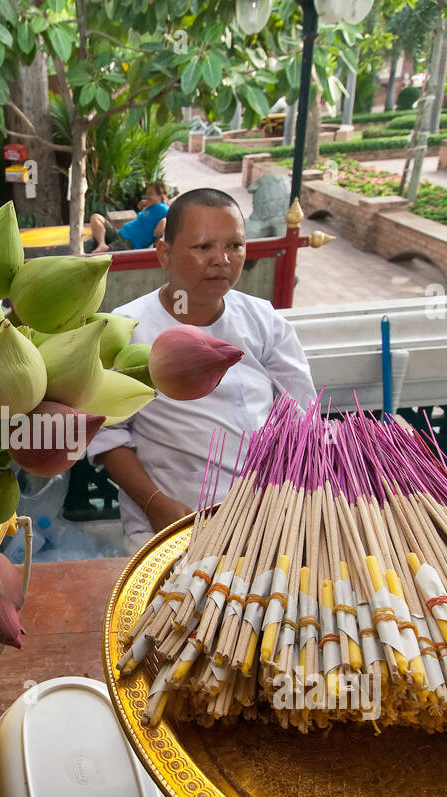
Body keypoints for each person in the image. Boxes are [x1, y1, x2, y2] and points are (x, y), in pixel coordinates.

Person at [87, 187, 317, 554]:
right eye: (203, 247)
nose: (222, 260)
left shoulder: (263, 322)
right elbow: (106, 434)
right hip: (171, 526)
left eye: (235, 246)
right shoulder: (126, 329)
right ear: (165, 254)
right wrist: (156, 506)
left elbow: (301, 418)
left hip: (267, 523)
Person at [85, 181, 169, 253]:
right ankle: (101, 244)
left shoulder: (162, 208)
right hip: (119, 234)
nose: (147, 196)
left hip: (130, 244)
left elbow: (175, 215)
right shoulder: (151, 207)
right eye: (146, 193)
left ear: (160, 196)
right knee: (96, 217)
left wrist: (165, 220)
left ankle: (102, 247)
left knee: (99, 253)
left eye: (151, 194)